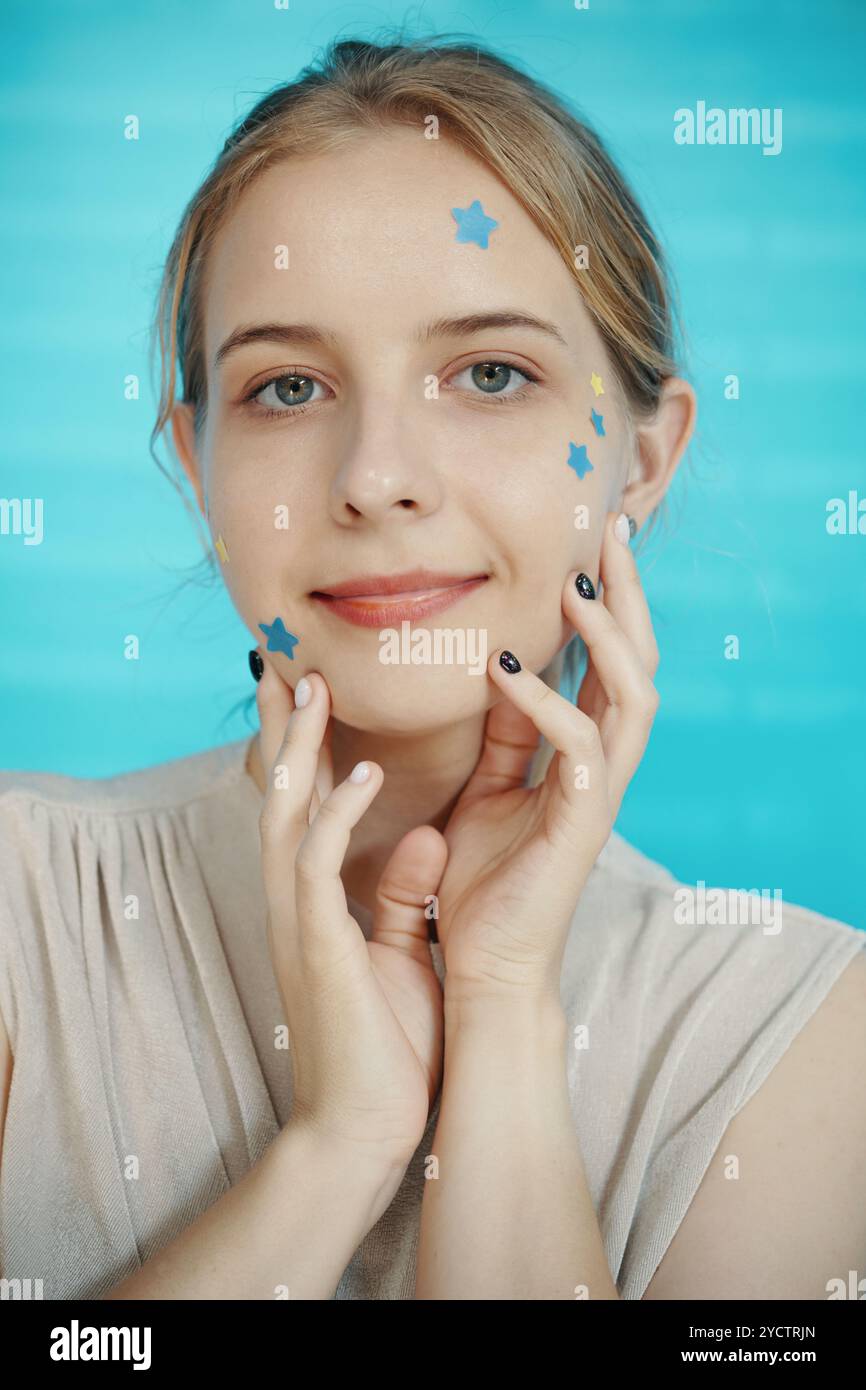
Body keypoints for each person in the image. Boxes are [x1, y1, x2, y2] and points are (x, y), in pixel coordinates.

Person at [1, 36, 863, 1303]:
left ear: (641, 457)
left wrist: (504, 1003)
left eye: (491, 373)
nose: (372, 476)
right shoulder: (21, 907)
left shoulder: (805, 1030)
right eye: (287, 387)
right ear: (196, 466)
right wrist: (334, 1150)